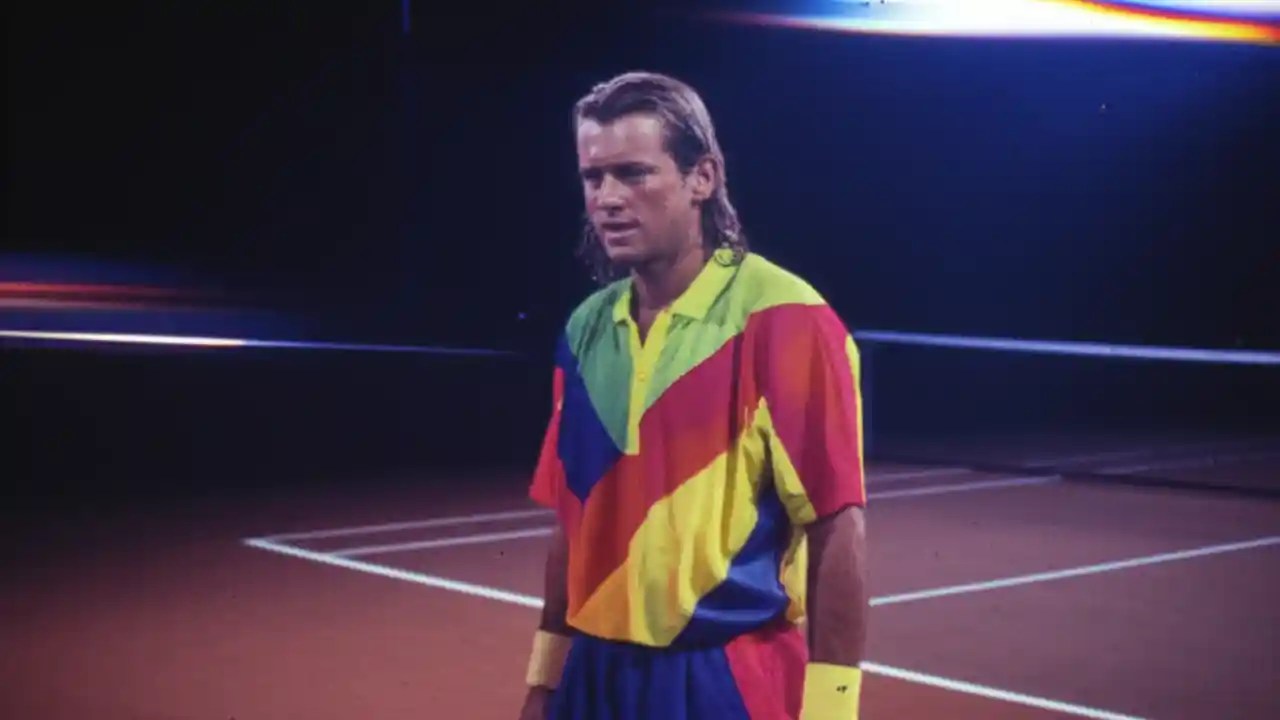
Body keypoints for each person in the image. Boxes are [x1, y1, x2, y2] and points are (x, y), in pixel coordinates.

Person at [519, 71, 869, 720]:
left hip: (727, 677)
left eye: (634, 173)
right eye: (594, 178)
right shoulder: (585, 328)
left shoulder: (786, 319)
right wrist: (546, 679)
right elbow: (572, 522)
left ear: (701, 178)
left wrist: (832, 710)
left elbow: (835, 522)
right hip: (593, 676)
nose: (608, 199)